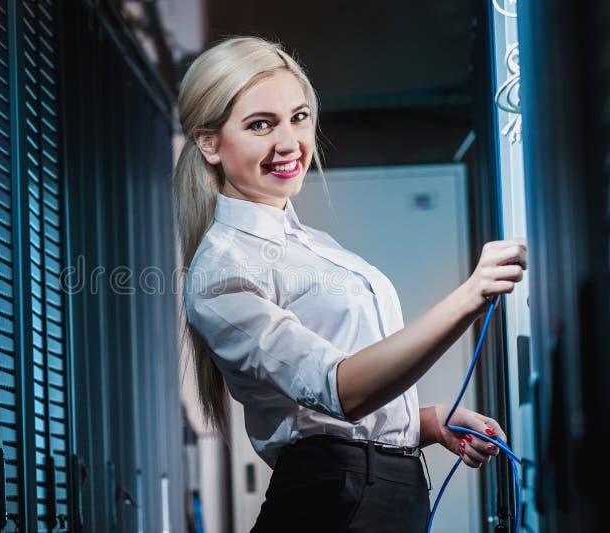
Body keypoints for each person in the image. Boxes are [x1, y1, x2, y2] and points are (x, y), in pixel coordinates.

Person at [173, 35, 527, 532]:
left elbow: (338, 411)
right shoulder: (222, 269)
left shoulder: (313, 244)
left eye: (298, 117)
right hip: (332, 501)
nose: (289, 143)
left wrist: (424, 422)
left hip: (383, 490)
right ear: (209, 142)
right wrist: (473, 295)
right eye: (260, 125)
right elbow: (340, 390)